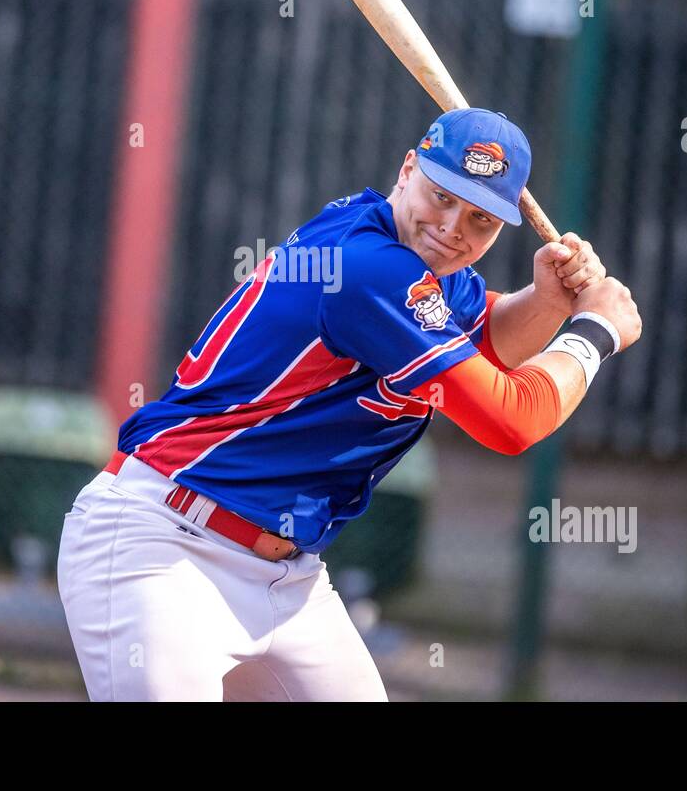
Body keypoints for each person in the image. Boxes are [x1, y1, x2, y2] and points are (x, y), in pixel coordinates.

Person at [58, 108, 642, 700]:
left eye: (480, 219)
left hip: (287, 577)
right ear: (407, 168)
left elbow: (482, 341)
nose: (452, 228)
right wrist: (595, 331)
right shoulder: (370, 268)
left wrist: (546, 301)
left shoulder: (417, 264)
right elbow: (511, 420)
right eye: (440, 197)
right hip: (165, 546)